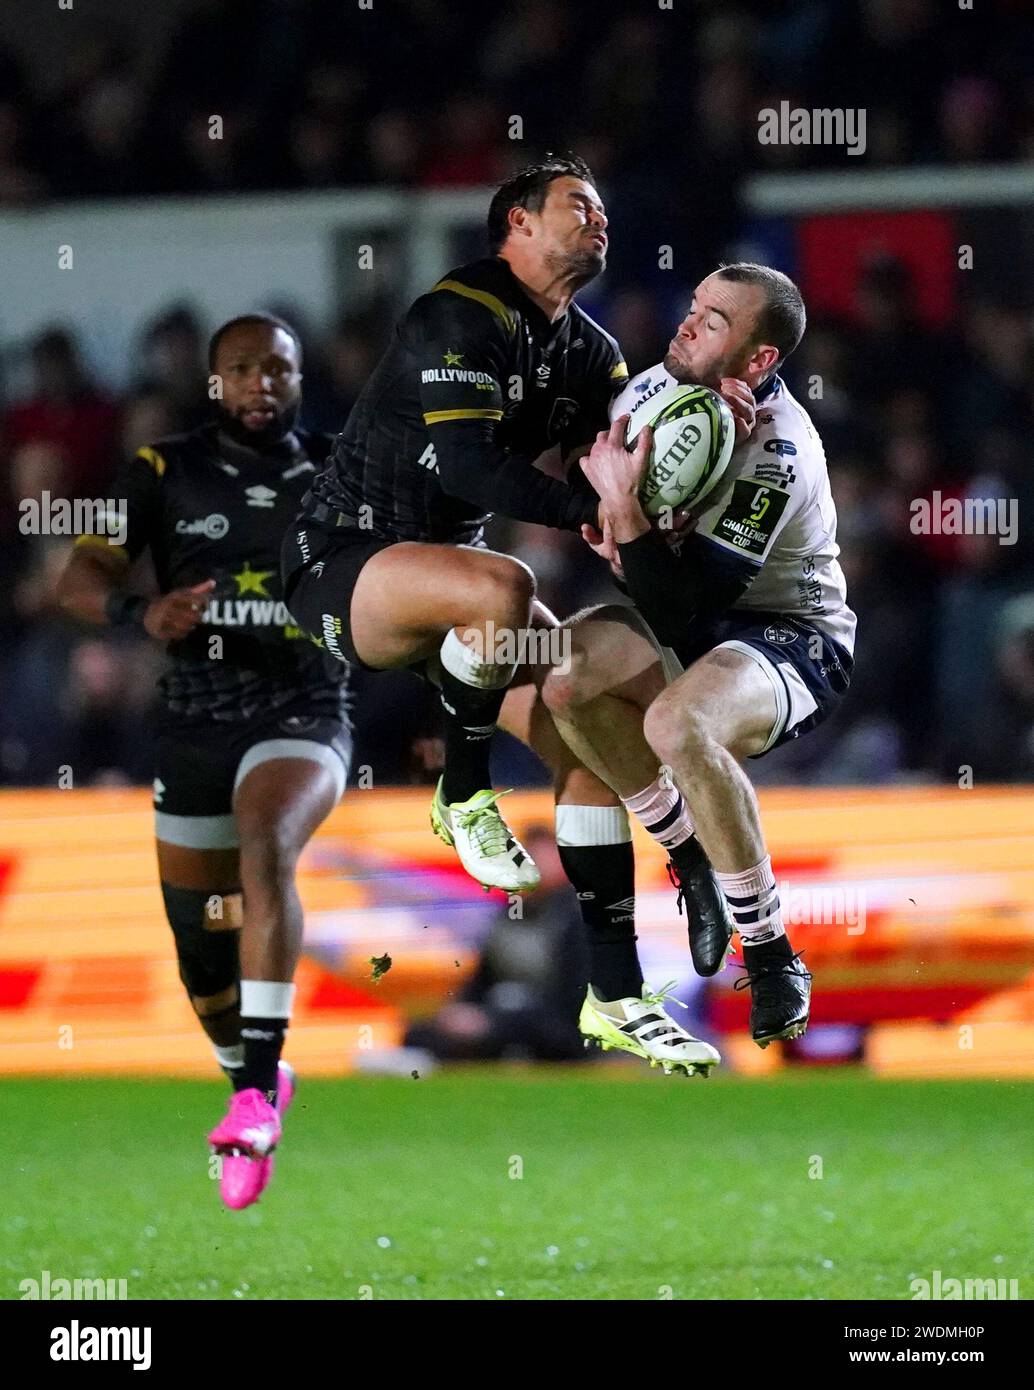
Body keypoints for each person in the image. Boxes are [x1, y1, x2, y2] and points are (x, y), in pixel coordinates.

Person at [57, 314, 350, 1209]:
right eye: (243, 369)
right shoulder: (158, 468)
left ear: (298, 378)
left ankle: (256, 1092)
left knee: (266, 840)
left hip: (304, 710)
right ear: (215, 382)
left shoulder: (340, 468)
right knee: (200, 963)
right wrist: (140, 616)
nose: (262, 382)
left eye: (279, 368)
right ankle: (253, 1080)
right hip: (193, 721)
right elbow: (79, 576)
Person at [282, 154, 627, 897]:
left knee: (589, 732)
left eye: (603, 208)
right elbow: (468, 468)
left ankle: (615, 992)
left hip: (458, 597)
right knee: (505, 583)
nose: (599, 217)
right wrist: (589, 513)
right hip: (343, 560)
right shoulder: (460, 311)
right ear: (520, 222)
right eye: (578, 203)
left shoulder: (594, 354)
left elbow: (620, 469)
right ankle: (465, 791)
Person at [540, 263, 857, 1051]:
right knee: (566, 677)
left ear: (758, 361)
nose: (688, 324)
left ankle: (773, 949)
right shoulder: (654, 391)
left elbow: (687, 607)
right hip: (699, 626)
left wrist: (622, 508)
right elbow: (602, 502)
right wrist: (605, 513)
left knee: (679, 728)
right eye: (695, 306)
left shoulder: (778, 452)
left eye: (715, 320)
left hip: (790, 636)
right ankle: (692, 860)